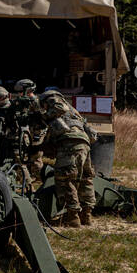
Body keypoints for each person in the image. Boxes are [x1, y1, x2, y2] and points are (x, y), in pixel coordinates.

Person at [39, 90, 96, 227]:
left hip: (69, 144)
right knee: (85, 179)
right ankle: (87, 216)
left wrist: (44, 116)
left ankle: (72, 217)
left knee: (65, 179)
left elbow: (59, 109)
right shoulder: (74, 111)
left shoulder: (54, 101)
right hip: (84, 144)